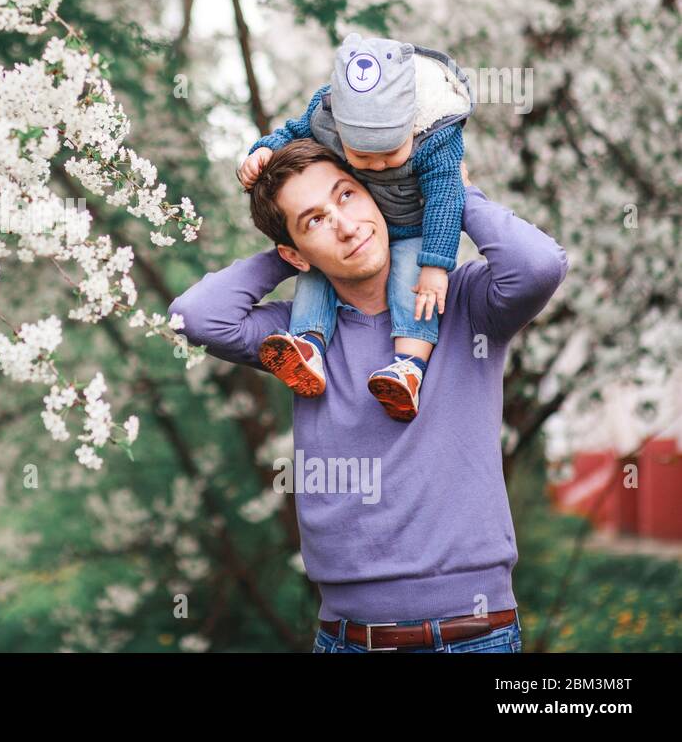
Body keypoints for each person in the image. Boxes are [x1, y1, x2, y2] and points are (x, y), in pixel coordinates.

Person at [168, 139, 568, 651]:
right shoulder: (298, 338)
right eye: (314, 220)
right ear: (293, 251)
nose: (345, 224)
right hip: (348, 638)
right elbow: (195, 317)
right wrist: (293, 258)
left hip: (475, 633)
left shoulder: (464, 304)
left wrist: (450, 192)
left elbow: (539, 265)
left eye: (348, 196)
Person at [237, 34, 473, 422]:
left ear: (410, 123)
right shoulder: (326, 116)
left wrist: (436, 264)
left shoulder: (436, 136)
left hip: (416, 229)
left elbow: (447, 202)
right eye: (361, 156)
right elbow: (291, 133)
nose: (377, 165)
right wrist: (262, 151)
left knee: (413, 288)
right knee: (315, 275)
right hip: (364, 225)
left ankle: (409, 367)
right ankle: (307, 346)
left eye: (390, 153)